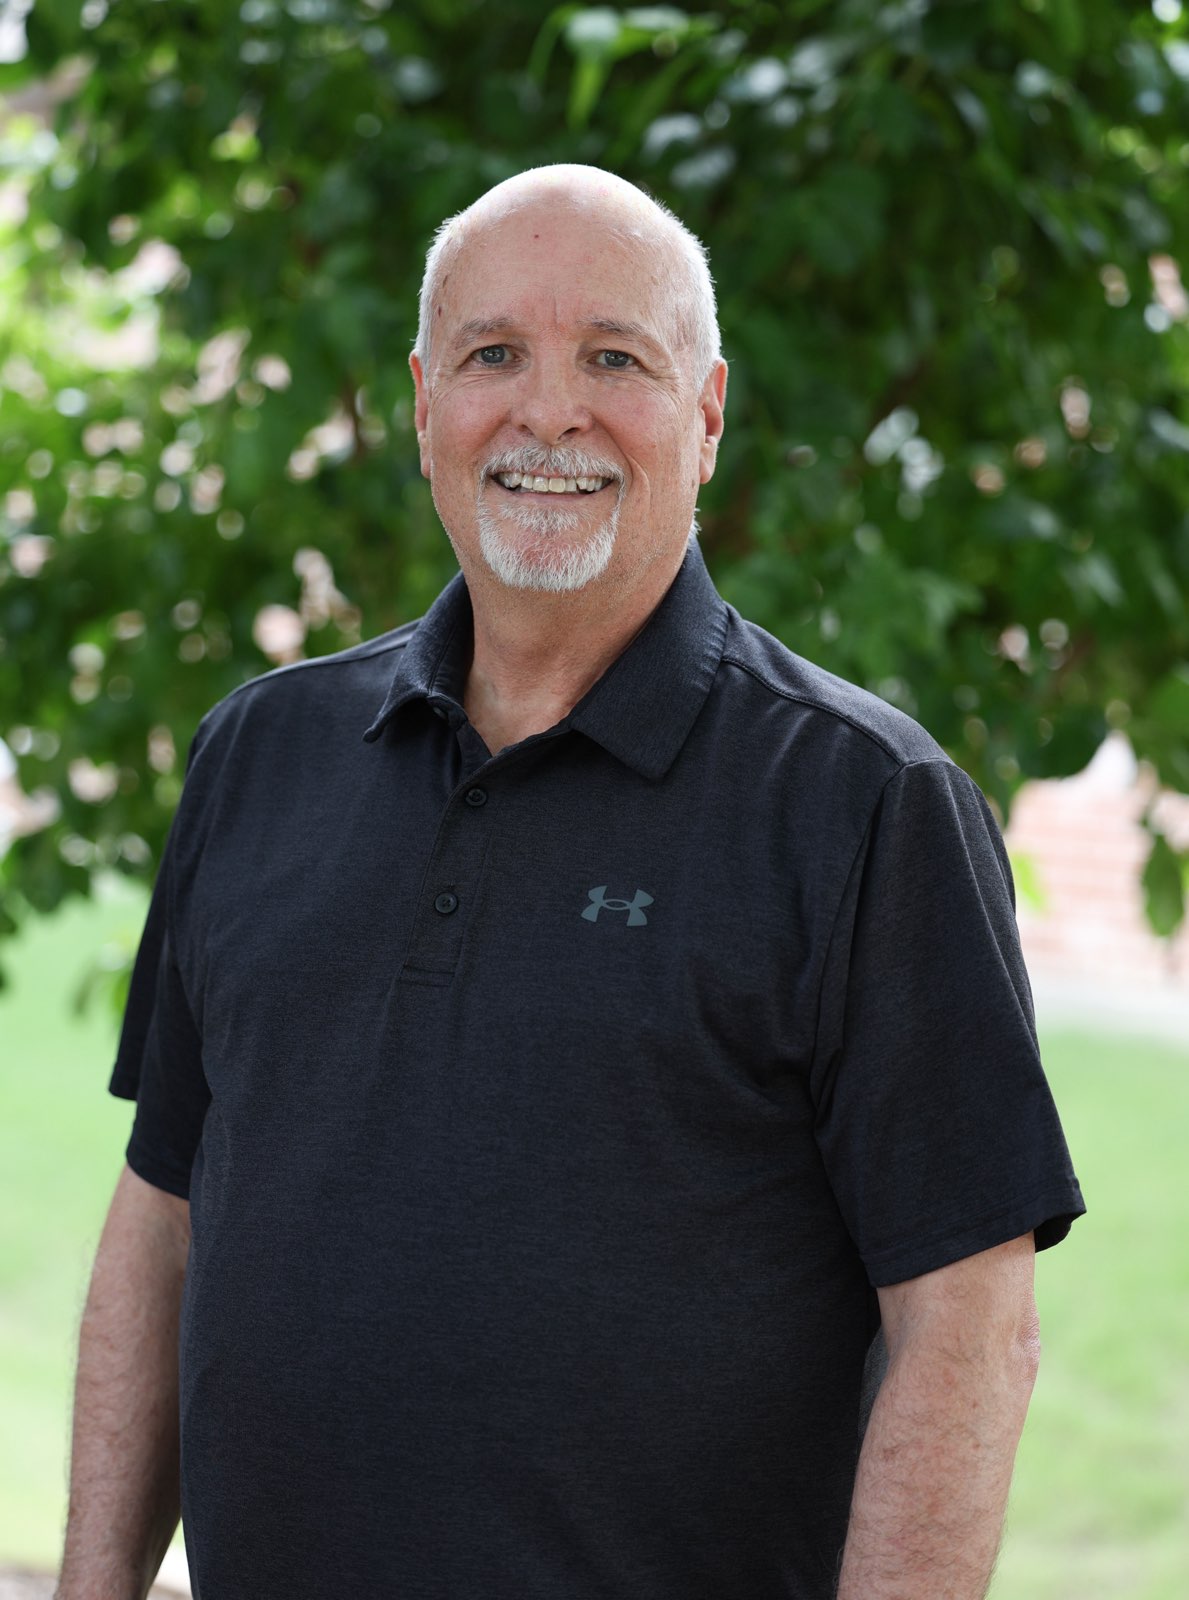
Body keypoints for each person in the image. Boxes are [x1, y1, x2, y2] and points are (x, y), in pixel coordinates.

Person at [58, 164, 1084, 1600]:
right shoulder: (258, 753)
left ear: (707, 413)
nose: (548, 413)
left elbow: (966, 1331)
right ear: (424, 403)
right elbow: (160, 1222)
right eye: (494, 357)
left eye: (614, 358)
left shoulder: (864, 806)